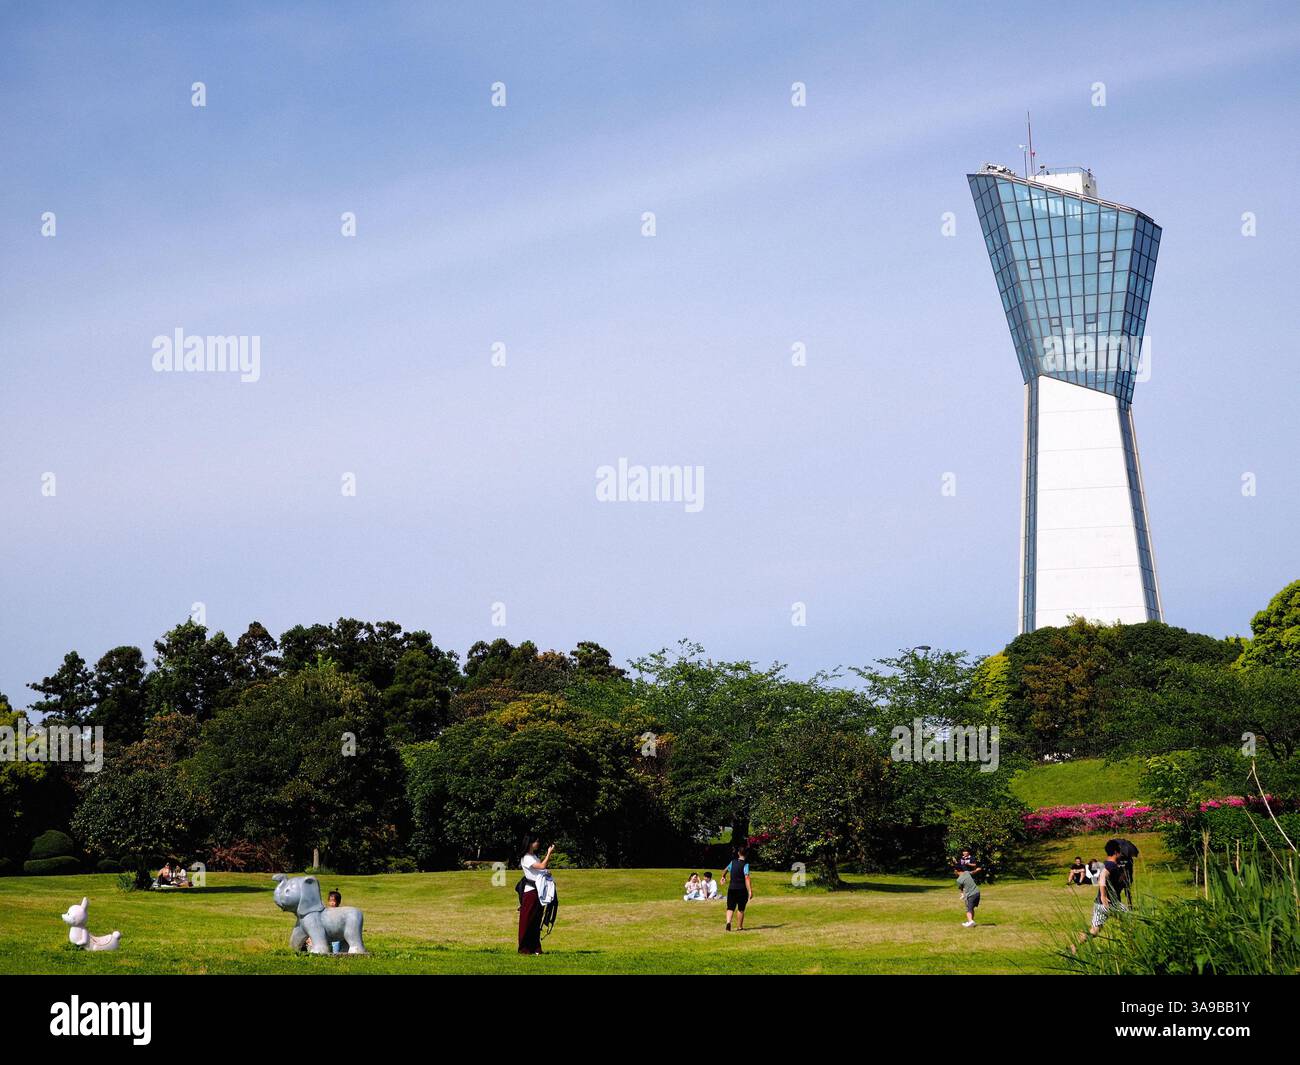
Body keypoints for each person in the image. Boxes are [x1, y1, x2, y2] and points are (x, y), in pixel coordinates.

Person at [518, 834, 554, 955]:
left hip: (539, 890)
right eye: (536, 841)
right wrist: (549, 853)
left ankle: (535, 948)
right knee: (527, 920)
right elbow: (542, 866)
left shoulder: (534, 856)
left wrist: (546, 872)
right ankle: (524, 948)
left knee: (536, 920)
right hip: (530, 892)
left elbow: (540, 869)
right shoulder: (527, 857)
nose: (537, 843)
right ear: (529, 843)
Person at [1084, 842, 1128, 938]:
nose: (1121, 854)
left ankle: (1073, 948)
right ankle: (1134, 947)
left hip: (1098, 904)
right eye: (1120, 851)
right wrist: (1103, 896)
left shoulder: (1105, 864)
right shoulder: (1111, 865)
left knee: (1094, 931)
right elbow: (1102, 877)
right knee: (1130, 920)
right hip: (1110, 903)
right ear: (1116, 852)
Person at [722, 847, 753, 931]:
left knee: (730, 907)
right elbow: (746, 877)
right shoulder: (746, 864)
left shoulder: (733, 862)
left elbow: (725, 870)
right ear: (746, 854)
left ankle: (728, 922)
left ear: (738, 853)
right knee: (741, 908)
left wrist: (723, 877)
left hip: (731, 888)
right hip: (741, 889)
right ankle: (739, 927)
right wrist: (750, 891)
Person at [1104, 838, 1139, 905]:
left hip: (1126, 877)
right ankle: (1118, 904)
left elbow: (1129, 869)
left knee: (1127, 892)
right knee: (1117, 892)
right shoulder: (1117, 858)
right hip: (1119, 878)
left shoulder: (1129, 859)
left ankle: (1129, 904)